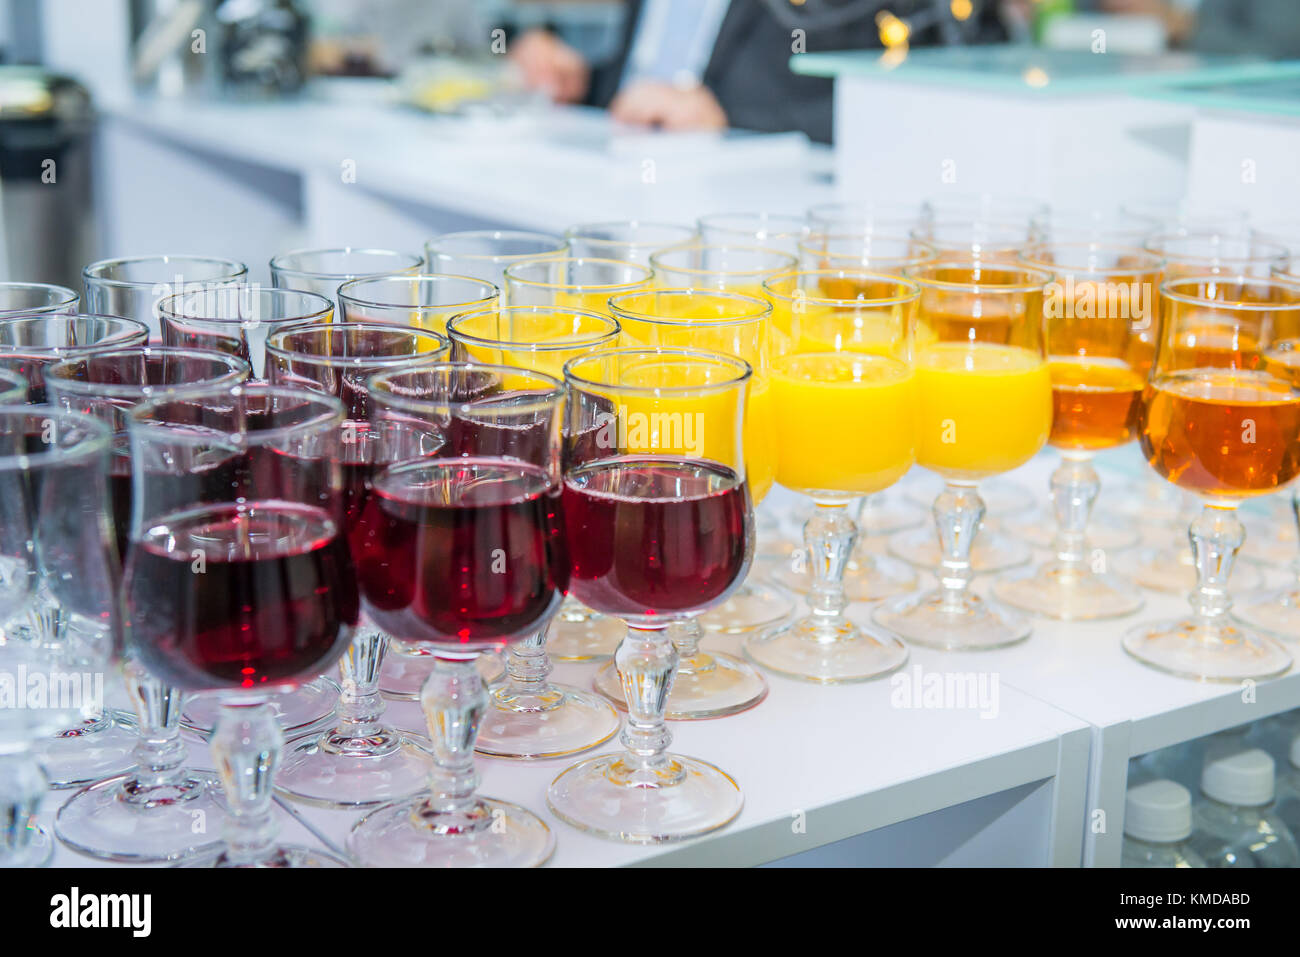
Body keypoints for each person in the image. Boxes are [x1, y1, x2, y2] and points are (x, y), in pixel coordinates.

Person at [510, 0, 1009, 143]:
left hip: (763, 232)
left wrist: (732, 118)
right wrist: (582, 81)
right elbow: (655, 78)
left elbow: (951, 87)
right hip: (608, 177)